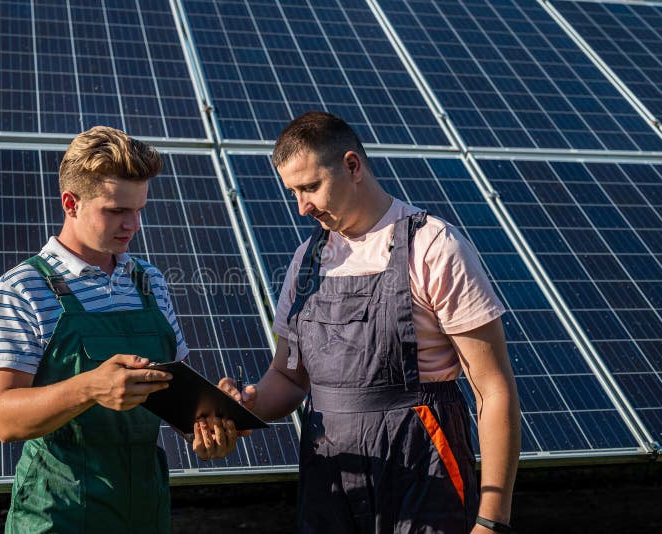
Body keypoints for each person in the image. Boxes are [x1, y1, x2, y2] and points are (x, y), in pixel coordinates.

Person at [220, 112, 520, 533]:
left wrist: (492, 520)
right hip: (330, 488)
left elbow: (493, 388)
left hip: (424, 476)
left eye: (310, 187)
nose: (302, 207)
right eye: (293, 192)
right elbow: (288, 379)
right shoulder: (305, 262)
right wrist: (242, 408)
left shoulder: (434, 246)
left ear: (352, 166)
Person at [0, 126, 240, 533]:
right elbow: (3, 419)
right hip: (57, 514)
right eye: (116, 210)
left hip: (146, 510)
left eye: (138, 209)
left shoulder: (150, 281)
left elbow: (174, 396)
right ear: (71, 203)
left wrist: (209, 420)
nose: (132, 224)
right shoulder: (20, 289)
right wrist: (90, 387)